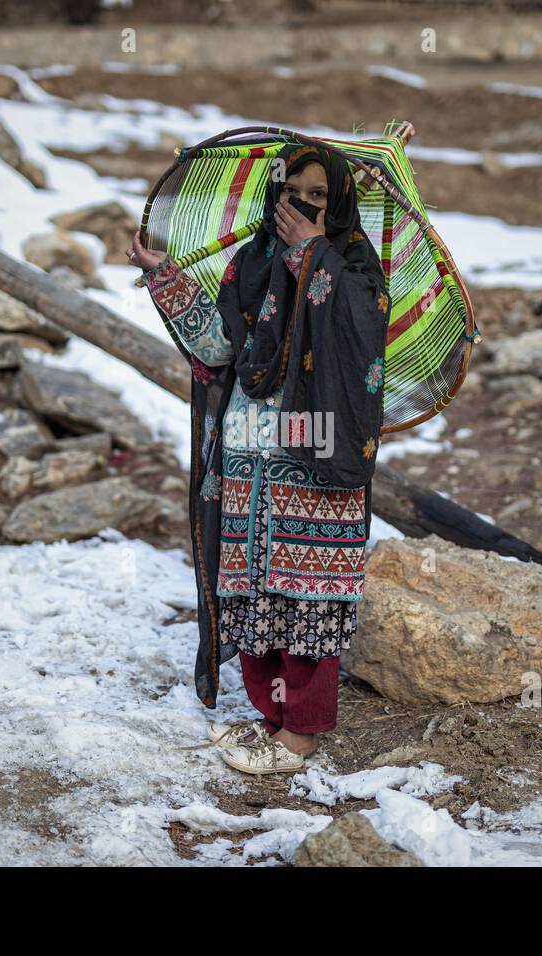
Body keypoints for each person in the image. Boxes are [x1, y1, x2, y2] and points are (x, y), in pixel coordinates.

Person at [128, 142, 390, 775]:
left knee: (310, 591)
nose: (301, 203)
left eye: (319, 195)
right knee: (254, 588)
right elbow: (220, 349)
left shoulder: (355, 263)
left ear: (339, 204)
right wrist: (166, 277)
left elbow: (359, 339)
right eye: (292, 189)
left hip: (317, 442)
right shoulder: (250, 262)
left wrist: (309, 256)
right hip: (248, 447)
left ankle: (301, 733)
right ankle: (269, 717)